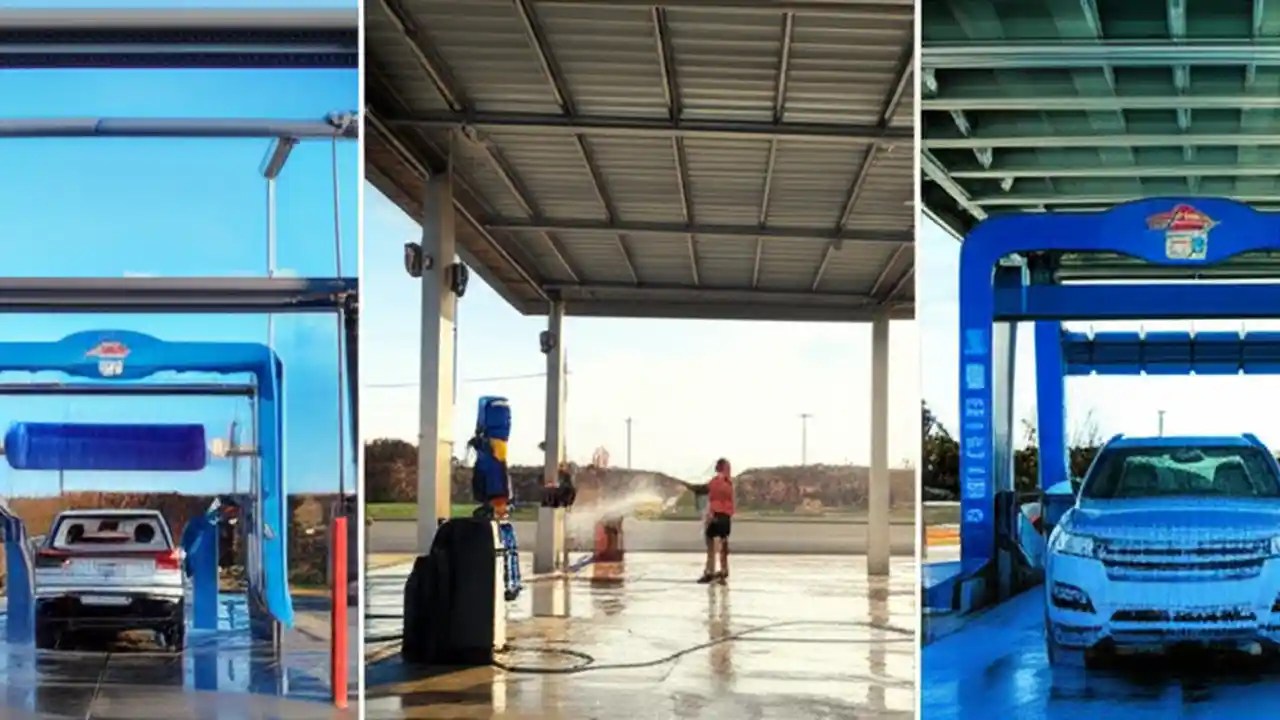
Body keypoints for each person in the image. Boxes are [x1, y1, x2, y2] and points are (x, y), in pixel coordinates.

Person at [698, 458, 735, 584]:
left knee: (711, 544)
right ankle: (724, 571)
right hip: (726, 516)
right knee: (723, 543)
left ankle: (710, 571)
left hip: (716, 515)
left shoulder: (714, 483)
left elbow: (711, 499)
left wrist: (709, 516)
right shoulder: (729, 483)